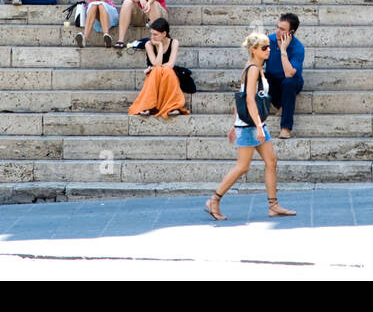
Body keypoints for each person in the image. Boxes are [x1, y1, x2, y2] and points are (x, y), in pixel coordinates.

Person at [206, 32, 295, 221]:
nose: (268, 50)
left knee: (271, 161)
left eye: (269, 47)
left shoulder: (255, 68)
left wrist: (234, 124)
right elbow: (248, 100)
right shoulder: (253, 69)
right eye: (264, 48)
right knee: (242, 166)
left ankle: (273, 205)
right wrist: (259, 127)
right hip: (250, 126)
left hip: (252, 123)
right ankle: (214, 199)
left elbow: (240, 97)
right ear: (254, 50)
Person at [128, 18, 189, 119]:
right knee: (157, 70)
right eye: (151, 34)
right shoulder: (148, 44)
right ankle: (147, 105)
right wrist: (160, 47)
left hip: (168, 75)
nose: (152, 37)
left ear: (164, 33)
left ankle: (172, 106)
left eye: (155, 34)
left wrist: (158, 67)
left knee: (167, 70)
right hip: (154, 76)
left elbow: (170, 64)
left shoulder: (174, 42)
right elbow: (156, 64)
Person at [265, 14, 304, 140]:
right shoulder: (268, 41)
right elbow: (256, 63)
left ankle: (286, 128)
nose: (277, 31)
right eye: (277, 27)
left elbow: (289, 73)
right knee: (260, 78)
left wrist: (283, 49)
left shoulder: (298, 48)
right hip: (273, 80)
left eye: (282, 29)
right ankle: (281, 105)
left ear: (291, 32)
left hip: (292, 81)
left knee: (288, 82)